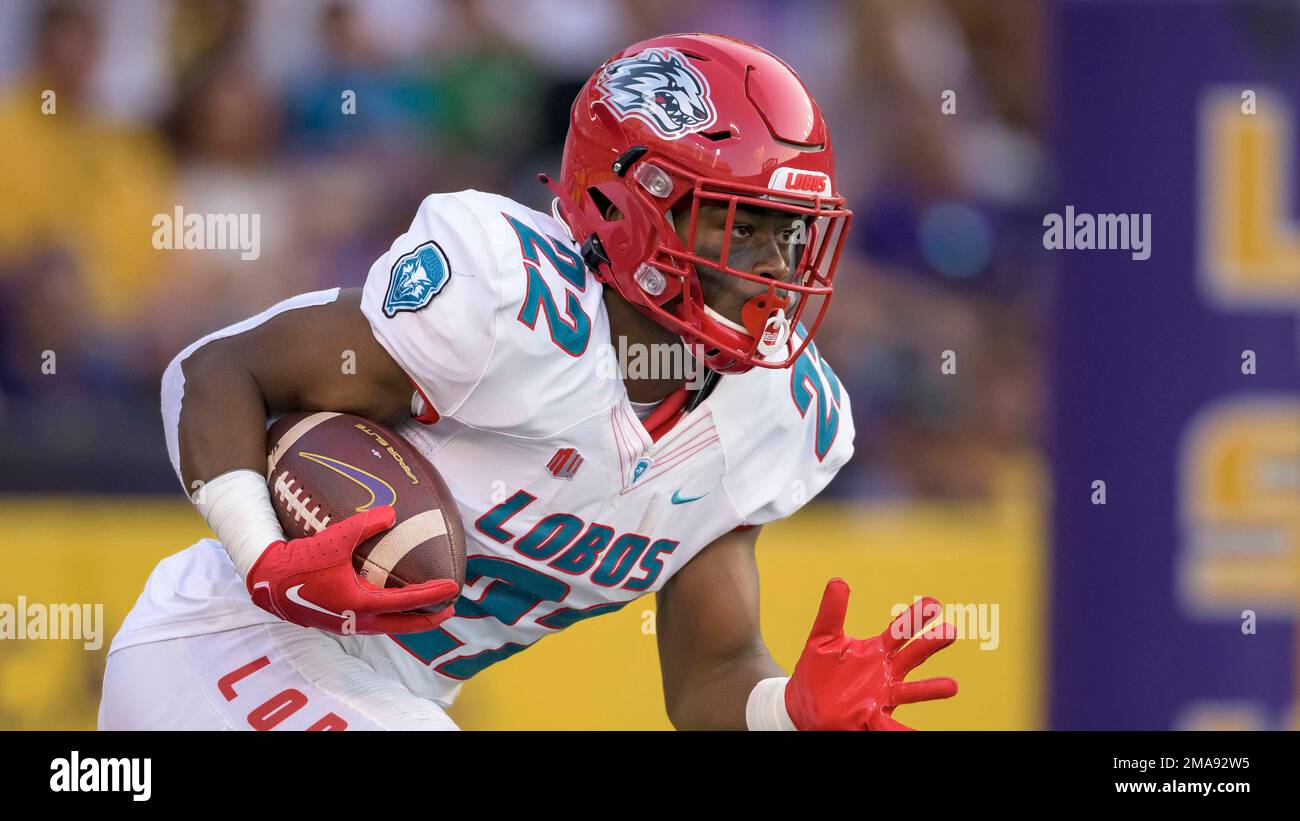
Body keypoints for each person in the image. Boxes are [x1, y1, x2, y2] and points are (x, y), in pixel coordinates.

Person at [99, 33, 957, 731]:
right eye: (745, 227)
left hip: (379, 696)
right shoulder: (507, 299)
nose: (775, 268)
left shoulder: (774, 412)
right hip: (226, 641)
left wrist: (788, 711)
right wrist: (263, 554)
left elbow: (713, 670)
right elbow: (217, 371)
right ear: (631, 206)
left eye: (792, 235)